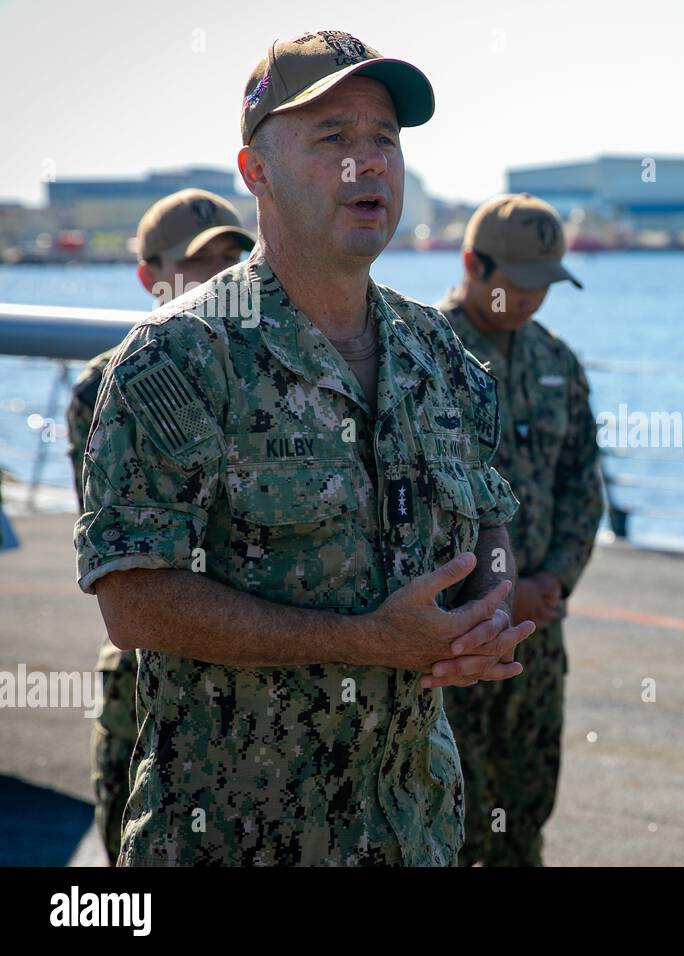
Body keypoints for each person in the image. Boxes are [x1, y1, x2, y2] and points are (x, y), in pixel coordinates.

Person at [74, 30, 534, 866]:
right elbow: (133, 602)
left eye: (384, 141)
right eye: (333, 139)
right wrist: (364, 641)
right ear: (255, 173)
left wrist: (486, 616)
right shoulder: (179, 359)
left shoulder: (441, 355)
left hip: (413, 827)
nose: (369, 165)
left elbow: (492, 522)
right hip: (234, 837)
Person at [66, 188, 255, 864]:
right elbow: (126, 559)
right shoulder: (109, 384)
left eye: (233, 256)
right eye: (197, 262)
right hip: (150, 672)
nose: (218, 275)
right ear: (150, 277)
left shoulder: (268, 375)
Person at [438, 194, 604, 865]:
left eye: (547, 285)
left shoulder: (557, 363)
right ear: (474, 264)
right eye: (522, 283)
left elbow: (582, 486)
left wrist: (549, 582)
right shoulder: (424, 354)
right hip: (451, 636)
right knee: (446, 821)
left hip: (537, 627)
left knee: (524, 816)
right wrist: (499, 596)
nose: (535, 299)